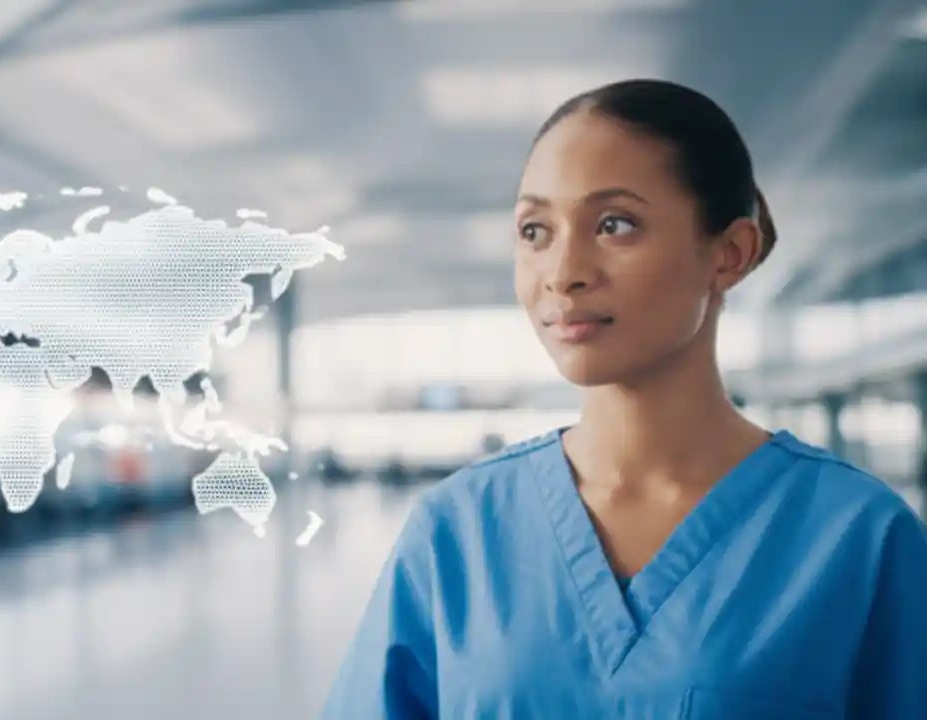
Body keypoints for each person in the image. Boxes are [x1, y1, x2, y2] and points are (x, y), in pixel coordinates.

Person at [321, 79, 926, 719]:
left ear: (729, 253)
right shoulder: (458, 530)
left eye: (615, 224)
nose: (563, 271)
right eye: (535, 231)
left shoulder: (857, 537)